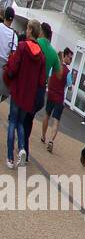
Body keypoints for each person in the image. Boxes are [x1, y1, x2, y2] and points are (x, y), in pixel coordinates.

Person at [3, 20, 44, 168]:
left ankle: (10, 158)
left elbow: (13, 68)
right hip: (29, 96)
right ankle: (21, 148)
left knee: (12, 122)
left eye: (27, 29)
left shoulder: (21, 47)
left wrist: (9, 77)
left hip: (18, 90)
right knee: (21, 123)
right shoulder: (41, 56)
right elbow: (41, 80)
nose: (26, 31)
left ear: (30, 30)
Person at [40, 47, 72, 153]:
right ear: (65, 56)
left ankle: (43, 136)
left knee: (47, 115)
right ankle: (51, 140)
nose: (70, 60)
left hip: (51, 94)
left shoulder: (54, 66)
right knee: (56, 120)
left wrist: (49, 89)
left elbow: (49, 78)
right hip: (59, 97)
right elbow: (69, 85)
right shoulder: (67, 72)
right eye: (70, 58)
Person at [0, 6, 18, 102]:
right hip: (4, 67)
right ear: (12, 19)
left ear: (4, 16)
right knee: (5, 92)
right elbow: (14, 54)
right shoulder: (14, 36)